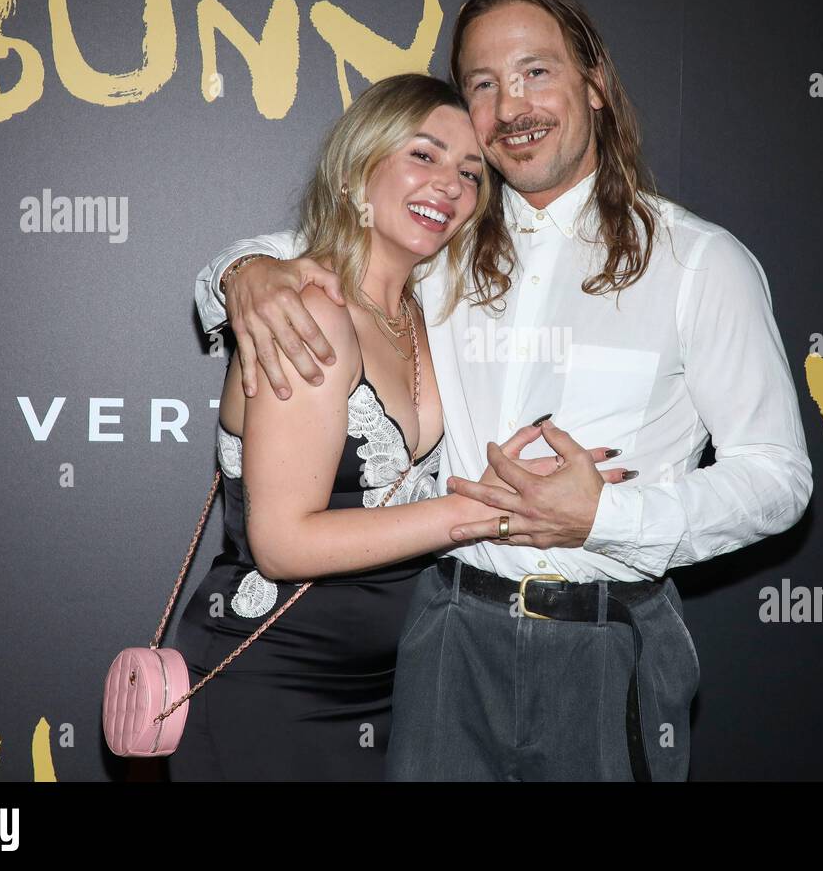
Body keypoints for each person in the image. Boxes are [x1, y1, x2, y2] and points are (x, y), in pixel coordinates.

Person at [194, 0, 813, 781]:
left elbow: (778, 477)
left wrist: (607, 515)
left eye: (535, 73)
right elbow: (317, 245)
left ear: (595, 84)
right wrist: (243, 272)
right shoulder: (443, 244)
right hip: (444, 637)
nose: (510, 104)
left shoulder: (698, 262)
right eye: (483, 84)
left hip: (608, 643)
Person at [169, 72, 629, 781]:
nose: (449, 183)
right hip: (275, 684)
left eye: (471, 173)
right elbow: (283, 542)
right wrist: (484, 513)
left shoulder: (436, 314)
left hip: (404, 689)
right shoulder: (307, 308)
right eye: (424, 155)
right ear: (358, 173)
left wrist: (523, 484)